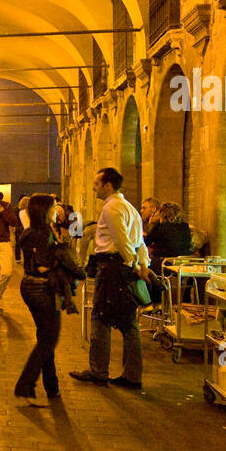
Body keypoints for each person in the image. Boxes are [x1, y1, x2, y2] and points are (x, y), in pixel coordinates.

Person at [70, 167, 153, 390]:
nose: (93, 188)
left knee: (100, 317)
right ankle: (132, 375)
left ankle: (98, 371)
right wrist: (142, 264)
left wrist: (134, 264)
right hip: (124, 268)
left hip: (113, 269)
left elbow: (123, 241)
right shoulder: (130, 208)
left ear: (108, 185)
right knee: (129, 322)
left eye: (97, 184)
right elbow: (140, 242)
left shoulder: (112, 208)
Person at [14, 195, 63, 404]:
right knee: (48, 339)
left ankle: (52, 387)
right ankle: (25, 383)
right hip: (42, 289)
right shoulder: (44, 234)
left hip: (28, 286)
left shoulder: (28, 232)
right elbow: (43, 266)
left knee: (45, 336)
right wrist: (63, 263)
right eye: (53, 207)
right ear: (45, 210)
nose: (56, 210)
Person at [145, 202, 194, 278]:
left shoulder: (160, 227)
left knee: (142, 265)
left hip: (166, 263)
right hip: (185, 264)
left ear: (162, 214)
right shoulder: (185, 227)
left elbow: (145, 242)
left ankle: (158, 288)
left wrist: (151, 223)